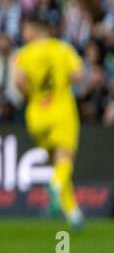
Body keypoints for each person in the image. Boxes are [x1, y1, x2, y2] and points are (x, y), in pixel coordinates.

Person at [13, 12, 84, 227]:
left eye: (26, 29)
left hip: (36, 114)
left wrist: (32, 93)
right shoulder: (62, 49)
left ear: (34, 30)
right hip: (61, 110)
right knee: (65, 161)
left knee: (57, 161)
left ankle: (73, 214)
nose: (24, 33)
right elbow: (79, 75)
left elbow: (19, 83)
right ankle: (54, 186)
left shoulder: (23, 54)